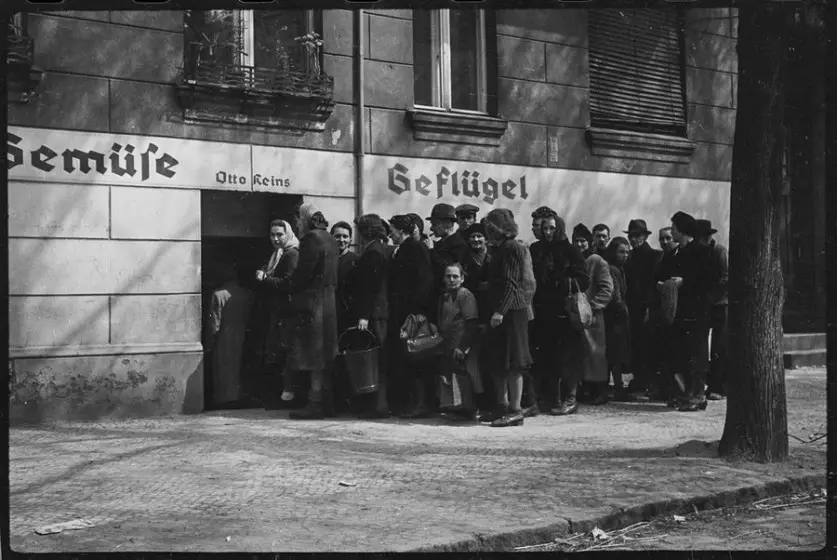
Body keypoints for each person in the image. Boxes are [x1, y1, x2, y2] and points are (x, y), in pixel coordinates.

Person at [275, 203, 340, 420]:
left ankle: (315, 403)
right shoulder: (329, 238)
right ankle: (327, 403)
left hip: (314, 304)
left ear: (304, 219)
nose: (297, 224)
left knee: (314, 356)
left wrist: (280, 283)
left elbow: (301, 276)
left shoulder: (311, 239)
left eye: (298, 220)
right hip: (328, 303)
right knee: (324, 355)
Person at [529, 210, 589, 415]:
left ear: (560, 228)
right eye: (545, 228)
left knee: (568, 357)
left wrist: (563, 283)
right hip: (544, 310)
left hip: (565, 311)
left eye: (552, 228)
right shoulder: (537, 249)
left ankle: (570, 398)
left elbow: (584, 280)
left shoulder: (571, 250)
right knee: (548, 357)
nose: (548, 232)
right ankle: (552, 398)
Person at [480, 209, 537, 427]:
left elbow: (512, 283)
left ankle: (515, 410)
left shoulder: (511, 248)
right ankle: (501, 407)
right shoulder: (501, 248)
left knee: (513, 363)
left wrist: (500, 311)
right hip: (504, 312)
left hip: (511, 313)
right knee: (500, 363)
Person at [666, 211, 715, 412]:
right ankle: (686, 393)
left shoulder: (703, 252)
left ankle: (698, 394)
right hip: (682, 312)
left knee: (698, 354)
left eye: (673, 229)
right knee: (683, 354)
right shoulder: (679, 252)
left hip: (698, 312)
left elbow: (708, 282)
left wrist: (684, 282)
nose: (671, 232)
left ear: (682, 231)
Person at [387, 215, 436, 418]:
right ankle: (411, 402)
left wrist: (418, 311)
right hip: (405, 311)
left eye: (393, 230)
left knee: (415, 357)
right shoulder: (405, 248)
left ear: (401, 230)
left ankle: (420, 404)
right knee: (408, 358)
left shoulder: (414, 248)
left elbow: (424, 281)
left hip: (413, 313)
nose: (390, 234)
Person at [253, 219, 300, 409]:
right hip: (277, 312)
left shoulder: (291, 255)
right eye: (272, 235)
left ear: (287, 234)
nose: (275, 239)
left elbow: (288, 283)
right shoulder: (277, 255)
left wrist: (266, 278)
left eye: (279, 234)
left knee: (284, 354)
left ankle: (287, 397)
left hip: (286, 313)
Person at [351, 214, 392, 418]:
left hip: (376, 312)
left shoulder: (373, 253)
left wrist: (363, 315)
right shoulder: (378, 249)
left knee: (375, 357)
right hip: (378, 310)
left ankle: (378, 405)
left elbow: (370, 288)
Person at [623, 219, 661, 401]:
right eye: (631, 236)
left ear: (645, 236)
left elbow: (653, 285)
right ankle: (639, 380)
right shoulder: (628, 257)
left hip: (646, 306)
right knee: (636, 345)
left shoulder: (654, 256)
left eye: (637, 235)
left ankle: (650, 383)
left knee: (648, 346)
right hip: (632, 307)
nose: (634, 239)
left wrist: (649, 307)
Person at [436, 263, 480, 421]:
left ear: (462, 278)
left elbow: (471, 322)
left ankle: (470, 408)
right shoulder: (445, 296)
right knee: (451, 373)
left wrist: (463, 346)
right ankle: (457, 407)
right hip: (448, 342)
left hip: (462, 341)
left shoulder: (465, 295)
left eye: (455, 276)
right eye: (448, 276)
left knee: (466, 375)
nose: (451, 279)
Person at [207, 262, 254, 408]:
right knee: (240, 367)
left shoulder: (218, 294)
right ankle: (240, 397)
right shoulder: (248, 294)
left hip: (225, 336)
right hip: (245, 333)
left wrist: (210, 344)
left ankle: (225, 399)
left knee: (224, 367)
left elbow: (214, 323)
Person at [695, 219, 728, 401]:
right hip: (705, 304)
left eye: (701, 238)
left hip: (720, 304)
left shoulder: (719, 251)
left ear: (708, 237)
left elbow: (725, 277)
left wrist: (709, 290)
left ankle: (720, 386)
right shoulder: (700, 253)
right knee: (701, 345)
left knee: (719, 346)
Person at [650, 226, 681, 405]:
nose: (665, 242)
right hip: (660, 311)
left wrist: (668, 286)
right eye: (662, 239)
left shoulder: (680, 257)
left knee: (675, 355)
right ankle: (665, 390)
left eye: (668, 238)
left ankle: (677, 392)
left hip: (675, 312)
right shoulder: (660, 258)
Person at [603, 237, 631, 402]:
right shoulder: (612, 269)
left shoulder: (620, 268)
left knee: (617, 353)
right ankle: (617, 386)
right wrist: (622, 309)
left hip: (618, 316)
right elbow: (616, 294)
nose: (625, 255)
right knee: (615, 352)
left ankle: (617, 385)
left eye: (627, 252)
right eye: (621, 252)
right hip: (615, 317)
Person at [427, 203, 468, 284]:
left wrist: (431, 250)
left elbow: (447, 269)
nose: (431, 228)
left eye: (435, 224)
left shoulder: (459, 244)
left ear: (448, 224)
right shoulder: (439, 244)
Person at [331, 221, 359, 335]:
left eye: (345, 236)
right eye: (337, 236)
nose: (341, 240)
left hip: (349, 314)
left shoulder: (356, 261)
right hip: (329, 312)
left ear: (350, 240)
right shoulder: (326, 260)